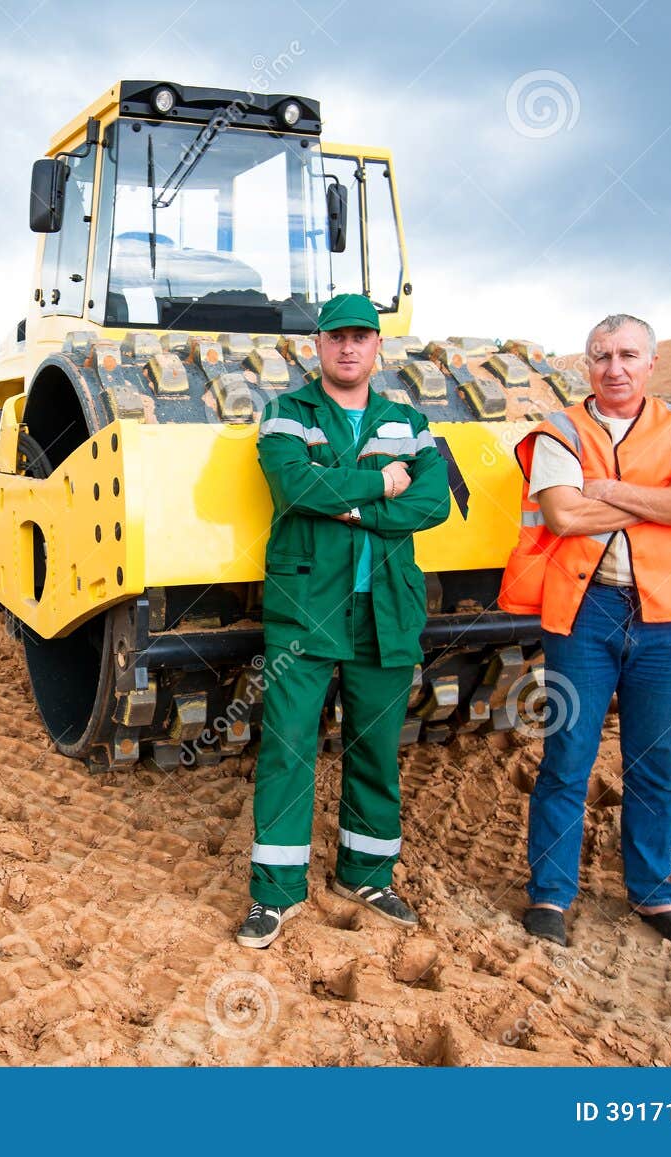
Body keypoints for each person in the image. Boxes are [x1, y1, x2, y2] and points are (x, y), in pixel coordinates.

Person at [499, 313, 671, 952]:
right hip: (584, 612)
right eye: (601, 355)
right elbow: (565, 516)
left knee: (655, 763)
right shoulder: (560, 430)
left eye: (628, 354)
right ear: (586, 364)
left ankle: (654, 895)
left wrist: (612, 491)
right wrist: (657, 498)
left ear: (651, 363)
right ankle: (550, 895)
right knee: (567, 758)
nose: (614, 367)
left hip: (665, 615)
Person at [236, 293, 451, 949]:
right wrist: (379, 484)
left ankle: (365, 873)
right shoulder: (286, 414)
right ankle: (274, 894)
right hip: (306, 607)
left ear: (378, 346)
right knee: (289, 747)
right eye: (336, 337)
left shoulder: (407, 421)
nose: (348, 347)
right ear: (318, 346)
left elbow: (434, 500)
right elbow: (295, 487)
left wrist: (360, 510)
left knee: (375, 749)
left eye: (361, 336)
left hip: (387, 608)